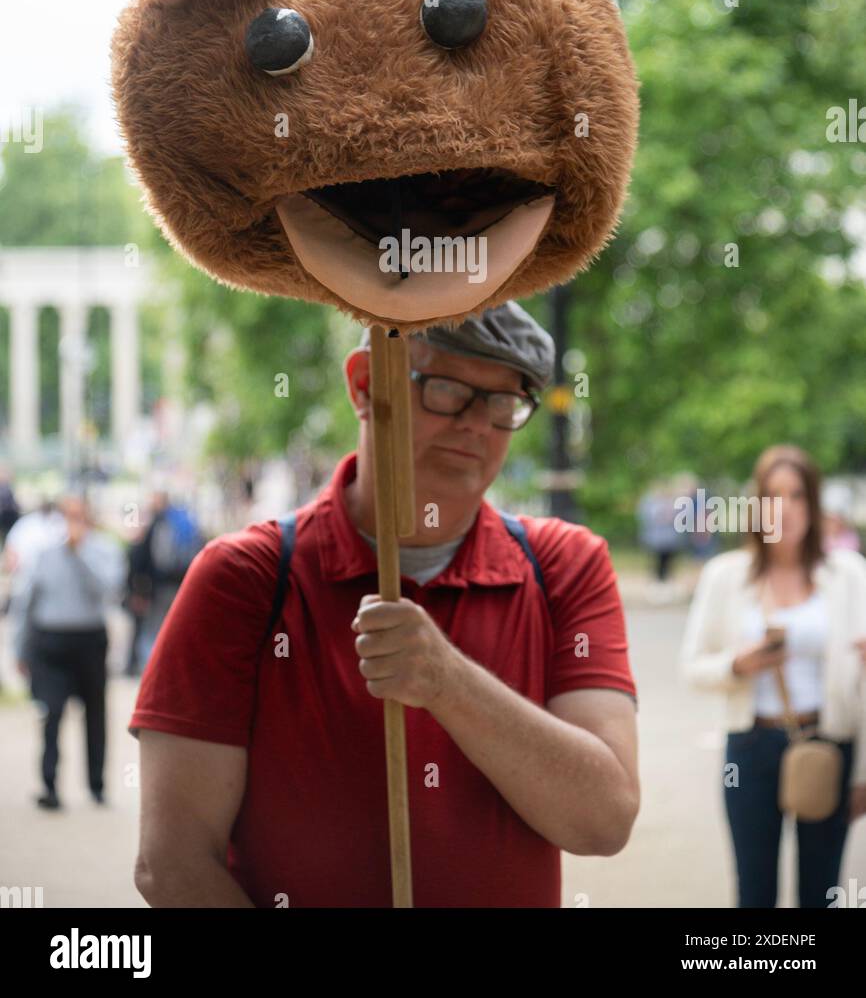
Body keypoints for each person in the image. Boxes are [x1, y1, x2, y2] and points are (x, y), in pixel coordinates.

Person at [129, 303, 640, 908]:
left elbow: (604, 820)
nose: (477, 424)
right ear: (364, 385)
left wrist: (447, 682)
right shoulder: (244, 578)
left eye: (504, 403)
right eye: (448, 390)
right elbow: (173, 863)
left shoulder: (564, 566)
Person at [679, 444, 866, 908]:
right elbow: (692, 666)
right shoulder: (727, 576)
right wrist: (737, 665)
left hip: (826, 741)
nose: (785, 508)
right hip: (750, 748)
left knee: (822, 894)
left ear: (814, 503)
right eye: (773, 495)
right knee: (754, 892)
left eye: (797, 495)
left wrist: (863, 772)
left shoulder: (848, 575)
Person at [14, 492, 126, 809]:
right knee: (51, 712)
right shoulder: (44, 554)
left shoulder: (104, 551)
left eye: (79, 516)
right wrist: (20, 649)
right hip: (50, 641)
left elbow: (109, 591)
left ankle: (96, 784)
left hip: (89, 639)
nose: (73, 523)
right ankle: (49, 785)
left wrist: (80, 555)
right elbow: (26, 602)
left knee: (95, 713)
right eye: (68, 516)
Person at [124, 492, 204, 674]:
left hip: (159, 588)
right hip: (182, 586)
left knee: (154, 630)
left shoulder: (158, 524)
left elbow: (143, 558)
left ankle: (155, 670)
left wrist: (138, 589)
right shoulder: (185, 522)